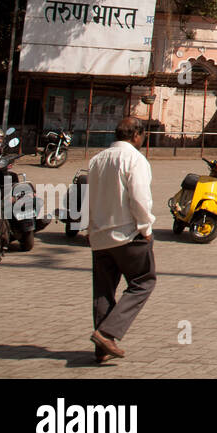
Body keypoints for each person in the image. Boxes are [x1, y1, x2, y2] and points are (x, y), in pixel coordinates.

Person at [88, 116, 157, 362]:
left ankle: (102, 348)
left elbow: (91, 197)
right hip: (128, 235)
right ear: (136, 135)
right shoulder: (135, 160)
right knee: (143, 282)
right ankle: (107, 333)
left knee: (103, 292)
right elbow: (139, 199)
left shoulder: (96, 160)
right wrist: (146, 228)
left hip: (100, 236)